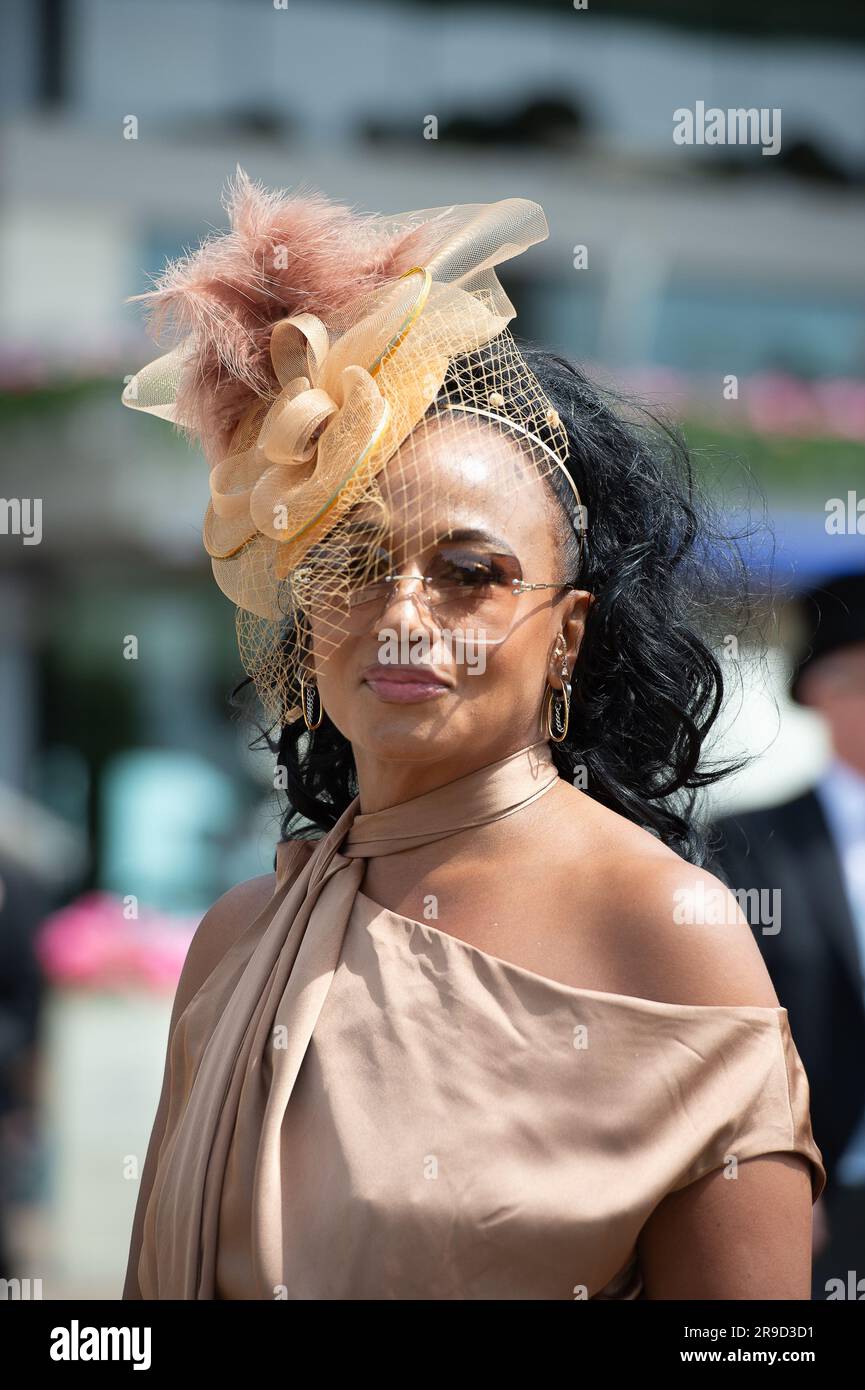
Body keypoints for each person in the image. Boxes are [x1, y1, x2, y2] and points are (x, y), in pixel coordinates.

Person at [118, 169, 824, 1300]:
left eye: (468, 574)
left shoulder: (661, 929)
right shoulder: (237, 934)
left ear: (566, 635)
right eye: (353, 561)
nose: (402, 616)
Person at [710, 571, 865, 1299]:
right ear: (824, 692)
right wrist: (776, 1182)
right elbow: (726, 1031)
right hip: (820, 1197)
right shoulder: (746, 844)